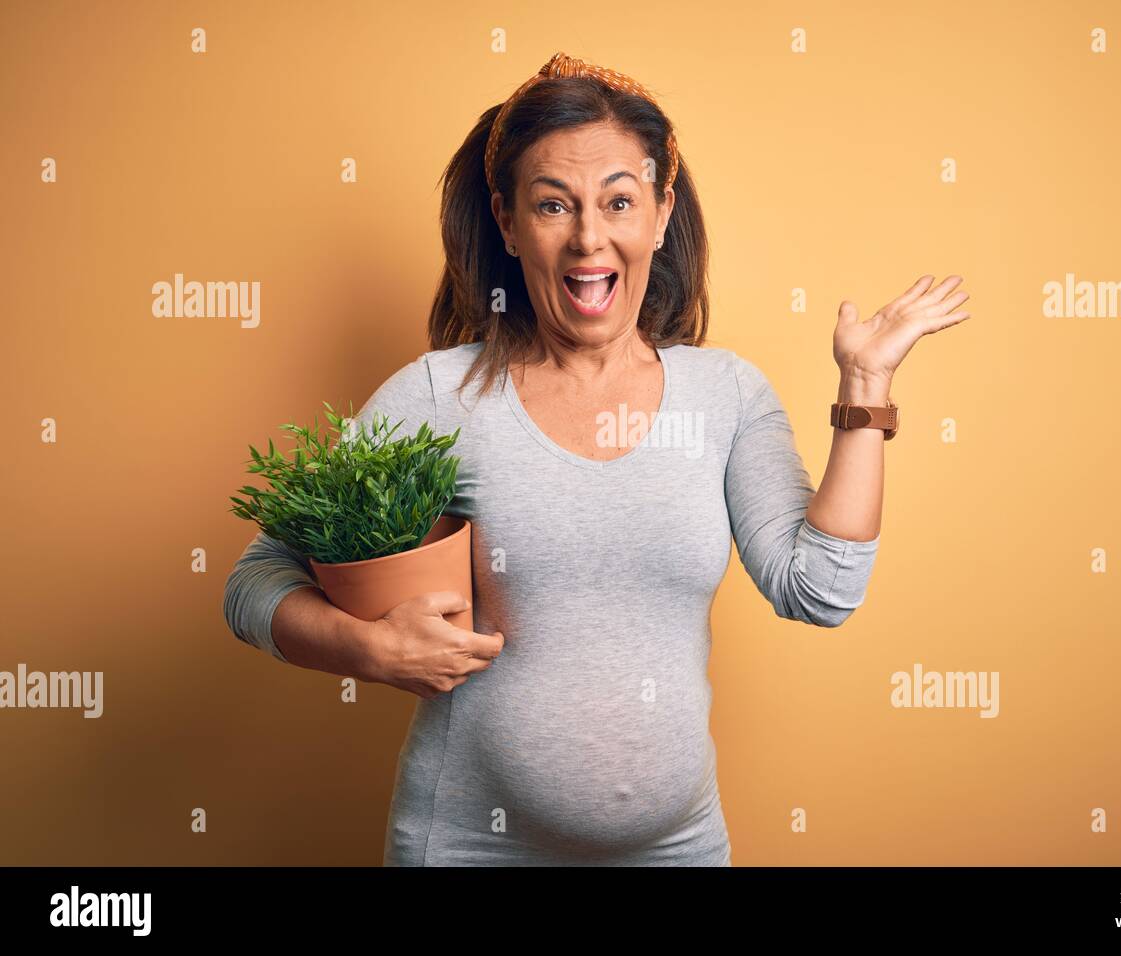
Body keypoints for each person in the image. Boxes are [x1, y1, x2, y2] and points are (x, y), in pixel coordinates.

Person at [222, 52, 971, 866]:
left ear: (659, 213)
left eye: (619, 200)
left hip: (676, 850)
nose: (589, 237)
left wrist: (865, 387)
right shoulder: (439, 396)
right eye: (553, 205)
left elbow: (819, 591)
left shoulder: (726, 396)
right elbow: (253, 582)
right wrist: (367, 650)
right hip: (471, 845)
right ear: (509, 224)